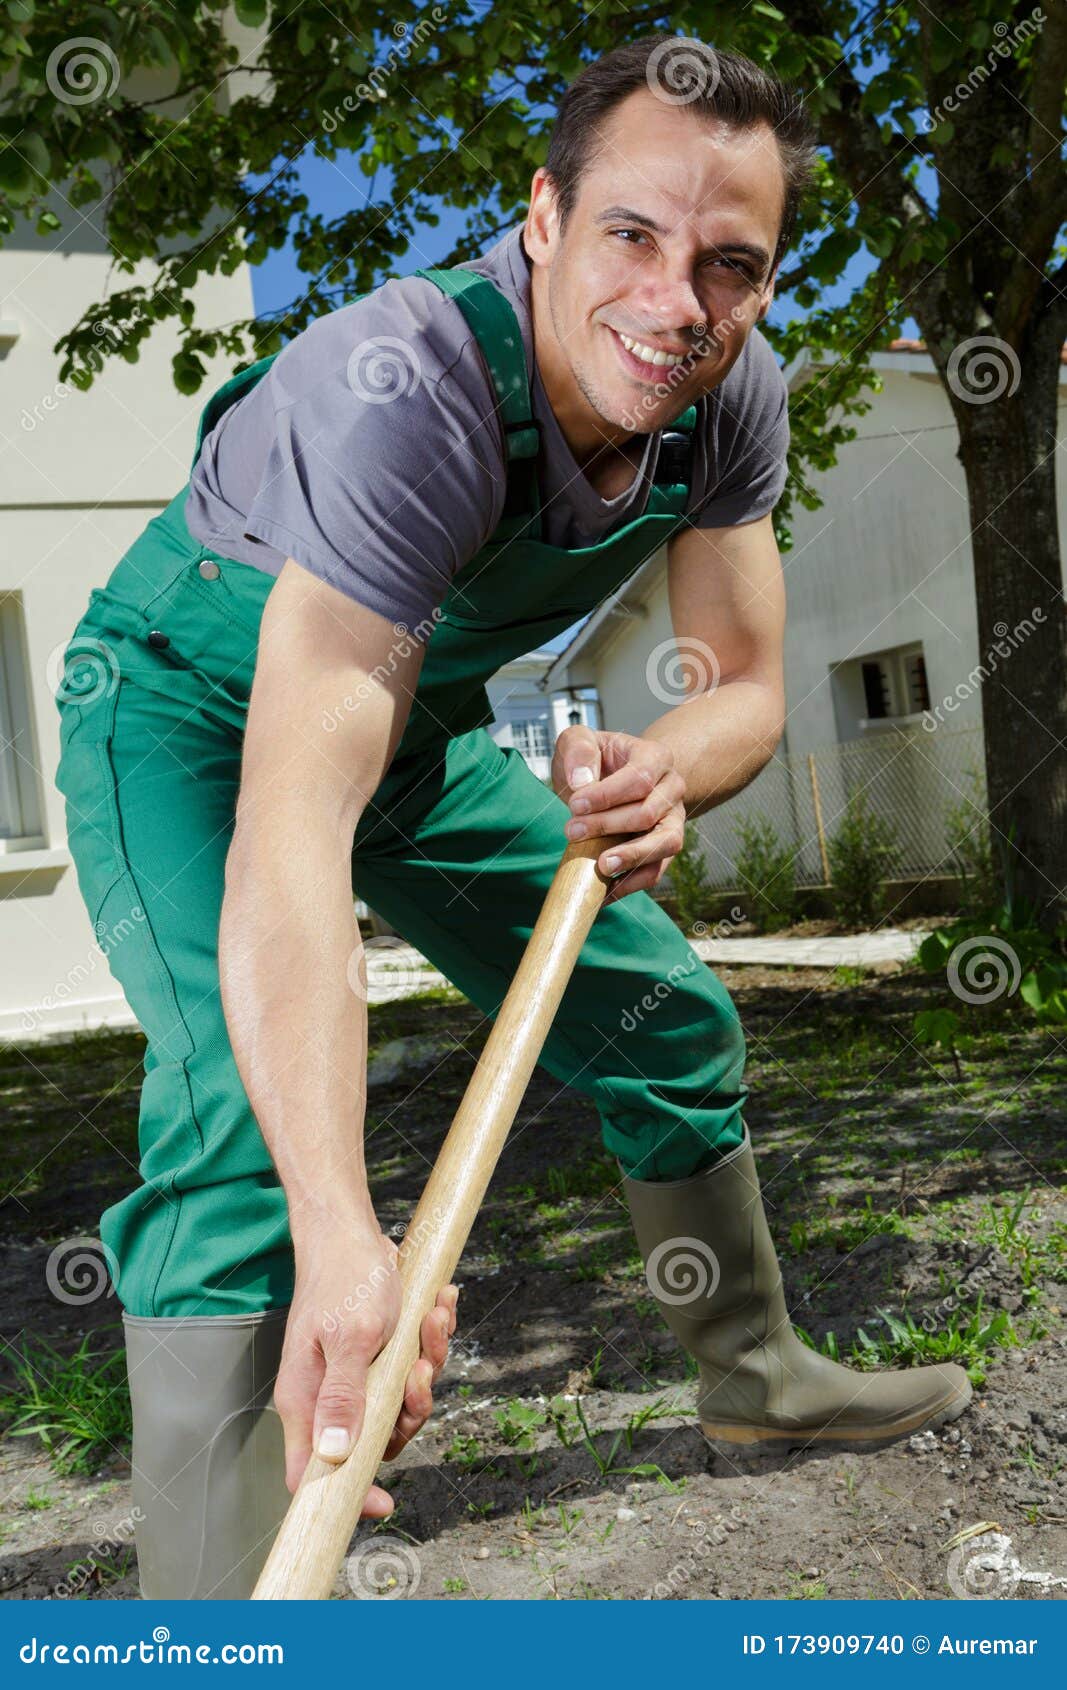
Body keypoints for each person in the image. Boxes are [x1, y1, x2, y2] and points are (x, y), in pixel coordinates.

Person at [53, 34, 970, 1600]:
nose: (677, 301)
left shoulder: (729, 397)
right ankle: (227, 1603)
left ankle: (754, 1380)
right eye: (632, 233)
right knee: (240, 1133)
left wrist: (670, 764)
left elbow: (745, 678)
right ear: (542, 215)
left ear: (763, 282)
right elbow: (290, 826)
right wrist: (351, 1238)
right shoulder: (397, 391)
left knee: (666, 1012)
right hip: (185, 710)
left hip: (402, 727)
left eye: (730, 264)